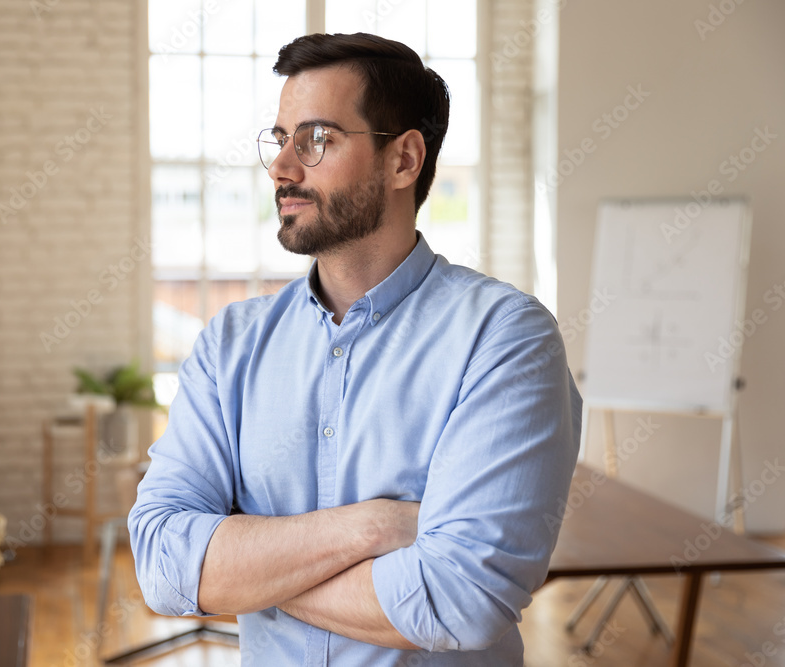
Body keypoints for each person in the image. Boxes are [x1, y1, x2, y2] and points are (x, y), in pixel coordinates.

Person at [129, 32, 582, 665]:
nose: (284, 168)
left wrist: (247, 568)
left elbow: (460, 598)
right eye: (280, 139)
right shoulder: (229, 346)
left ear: (403, 160)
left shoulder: (504, 339)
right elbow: (162, 562)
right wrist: (375, 527)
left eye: (316, 139)